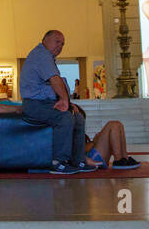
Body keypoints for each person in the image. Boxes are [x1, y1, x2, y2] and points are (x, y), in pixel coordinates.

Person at [19, 30, 92, 174]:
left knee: (77, 117)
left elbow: (53, 85)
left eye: (63, 44)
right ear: (44, 40)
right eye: (57, 41)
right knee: (64, 117)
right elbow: (55, 80)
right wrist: (65, 101)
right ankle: (58, 162)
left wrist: (68, 104)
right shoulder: (42, 55)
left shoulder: (47, 57)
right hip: (34, 105)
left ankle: (79, 161)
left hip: (45, 103)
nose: (60, 46)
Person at [72, 104, 140, 169]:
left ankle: (125, 158)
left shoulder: (80, 133)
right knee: (112, 125)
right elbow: (79, 150)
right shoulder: (70, 133)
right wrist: (94, 142)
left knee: (118, 124)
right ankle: (118, 160)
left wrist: (96, 140)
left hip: (94, 156)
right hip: (89, 159)